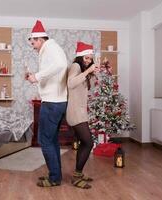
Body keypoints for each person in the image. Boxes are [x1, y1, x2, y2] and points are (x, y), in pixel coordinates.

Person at [25, 20, 68, 187]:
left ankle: (55, 177)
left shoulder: (50, 48)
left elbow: (61, 65)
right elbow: (52, 75)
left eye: (33, 42)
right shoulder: (50, 49)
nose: (33, 46)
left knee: (44, 140)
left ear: (40, 39)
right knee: (51, 140)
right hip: (55, 101)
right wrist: (35, 78)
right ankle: (55, 175)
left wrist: (38, 76)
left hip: (52, 103)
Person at [66, 42, 99, 189]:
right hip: (74, 111)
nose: (88, 60)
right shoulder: (76, 66)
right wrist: (87, 71)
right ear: (80, 56)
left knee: (84, 143)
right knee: (88, 142)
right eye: (86, 58)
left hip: (81, 111)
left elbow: (87, 86)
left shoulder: (84, 69)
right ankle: (76, 176)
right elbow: (71, 83)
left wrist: (94, 72)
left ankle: (78, 174)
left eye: (90, 58)